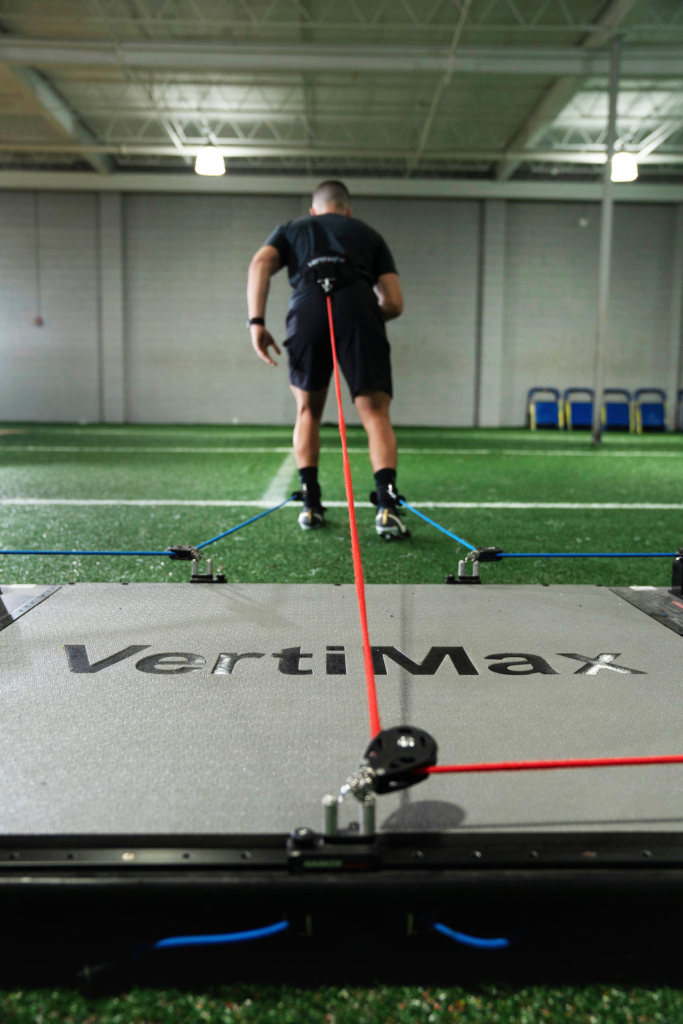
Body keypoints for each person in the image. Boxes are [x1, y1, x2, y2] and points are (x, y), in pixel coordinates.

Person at [246, 179, 408, 538]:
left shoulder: (292, 229)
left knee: (308, 411)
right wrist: (362, 319)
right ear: (347, 210)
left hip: (307, 308)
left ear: (313, 210)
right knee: (375, 413)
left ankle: (311, 504)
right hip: (359, 303)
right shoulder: (368, 233)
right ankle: (386, 508)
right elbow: (394, 302)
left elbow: (260, 262)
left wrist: (256, 322)